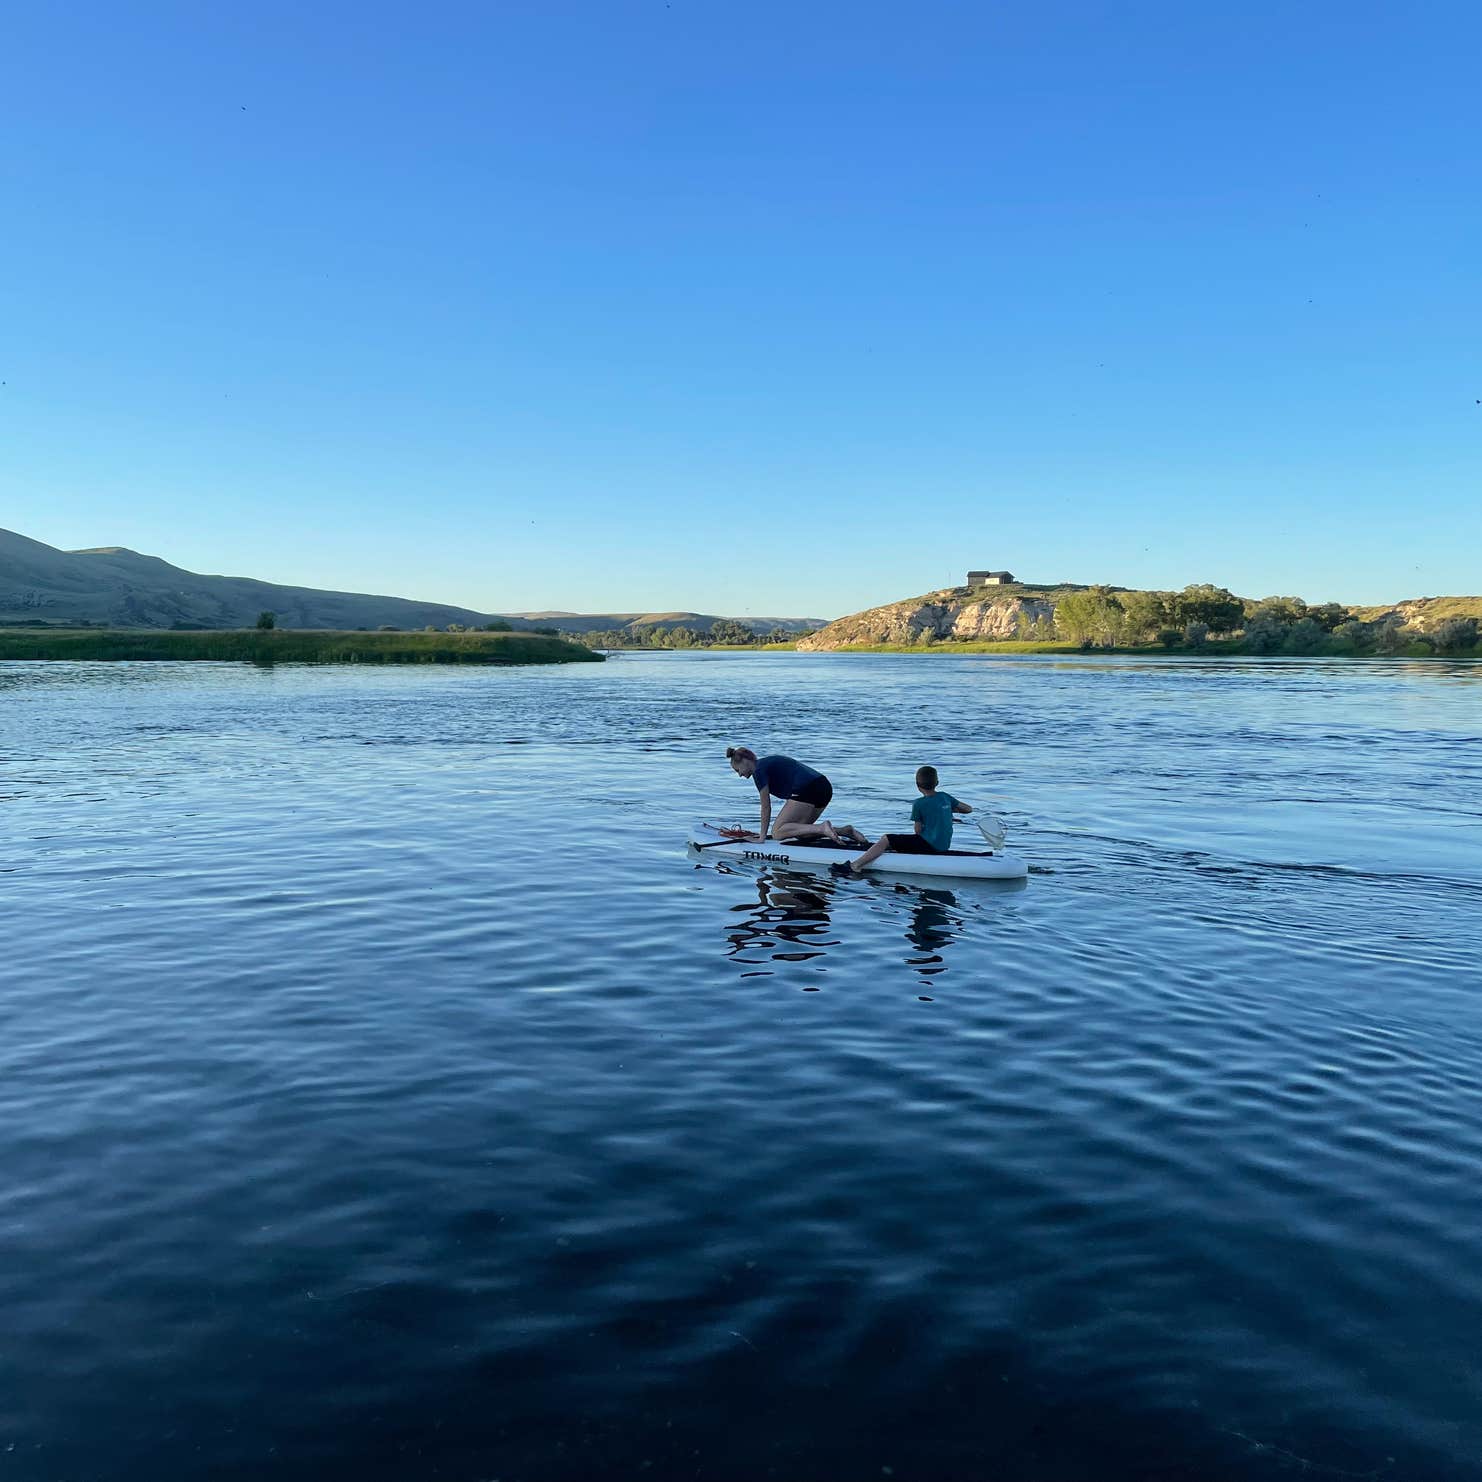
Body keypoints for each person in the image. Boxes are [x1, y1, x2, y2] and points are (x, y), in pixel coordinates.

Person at [831, 765, 972, 876]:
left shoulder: (919, 803)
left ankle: (855, 866)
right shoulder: (945, 797)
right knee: (893, 842)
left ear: (917, 785)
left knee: (886, 839)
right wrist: (945, 810)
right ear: (937, 782)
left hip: (929, 845)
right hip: (943, 845)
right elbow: (968, 809)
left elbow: (917, 831)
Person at [725, 746, 868, 845]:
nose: (740, 775)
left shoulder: (758, 770)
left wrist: (761, 838)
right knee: (800, 831)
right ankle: (845, 831)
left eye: (738, 770)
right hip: (824, 787)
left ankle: (822, 828)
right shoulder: (765, 763)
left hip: (808, 788)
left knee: (777, 833)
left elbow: (766, 807)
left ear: (745, 761)